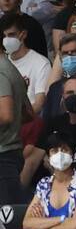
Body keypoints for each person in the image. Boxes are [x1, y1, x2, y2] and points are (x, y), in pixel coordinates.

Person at [1, 13, 50, 115]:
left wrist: (17, 120)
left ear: (23, 34)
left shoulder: (41, 63)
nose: (6, 40)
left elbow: (39, 104)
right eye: (3, 36)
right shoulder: (2, 62)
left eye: (11, 35)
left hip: (28, 120)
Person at [0, 37, 28, 203]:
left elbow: (6, 115)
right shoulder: (11, 69)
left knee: (7, 214)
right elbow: (28, 113)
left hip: (3, 156)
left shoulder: (1, 72)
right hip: (10, 153)